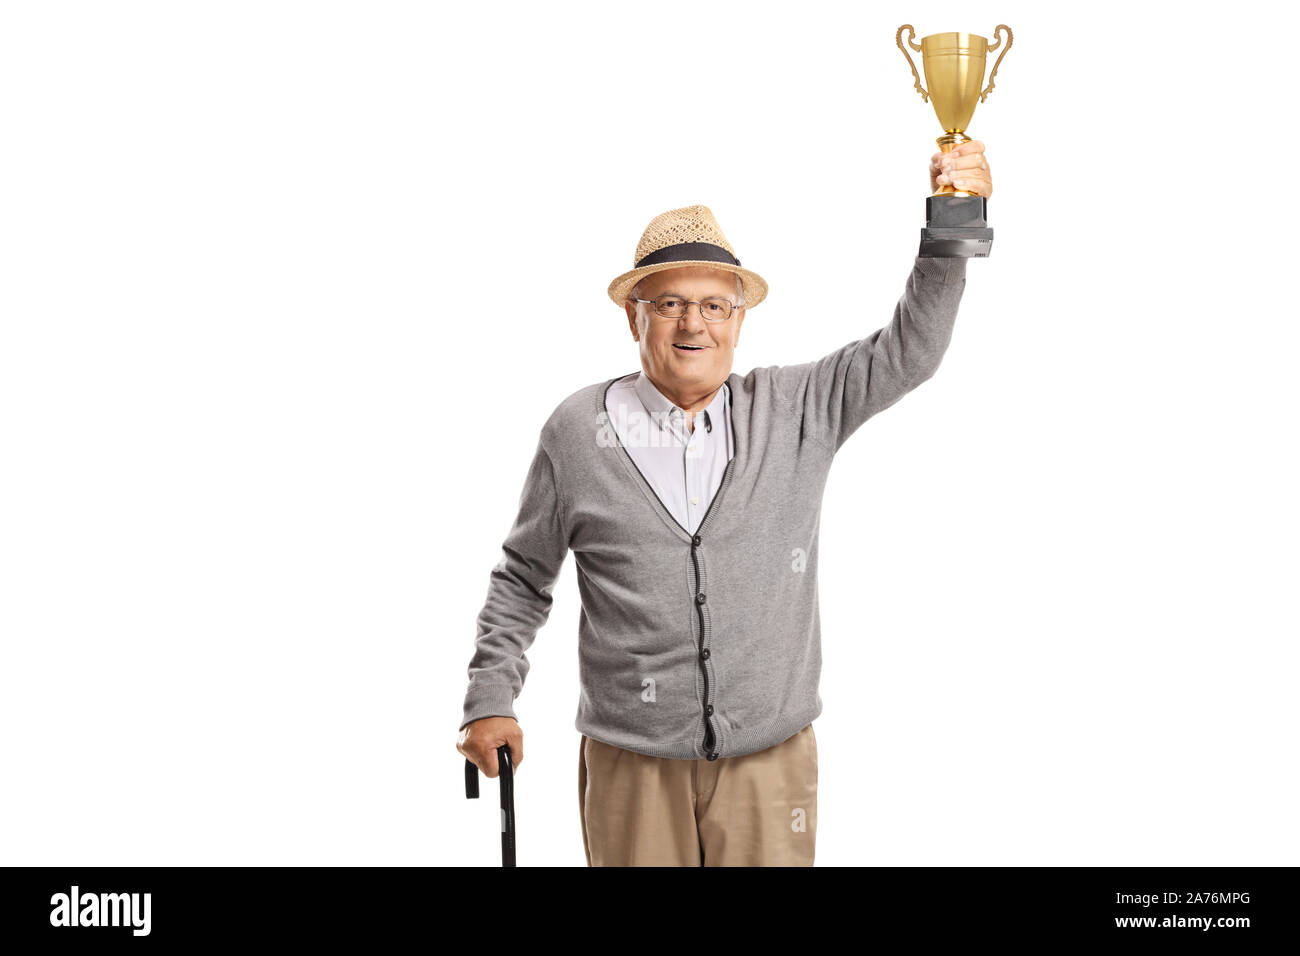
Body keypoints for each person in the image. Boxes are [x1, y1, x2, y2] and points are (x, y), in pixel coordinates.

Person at [456, 143, 993, 866]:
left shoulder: (799, 406)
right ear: (633, 318)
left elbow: (912, 350)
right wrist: (491, 695)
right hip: (631, 763)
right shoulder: (576, 432)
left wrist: (954, 220)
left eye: (714, 305)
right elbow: (523, 578)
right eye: (670, 304)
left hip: (768, 763)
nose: (693, 326)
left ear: (739, 319)